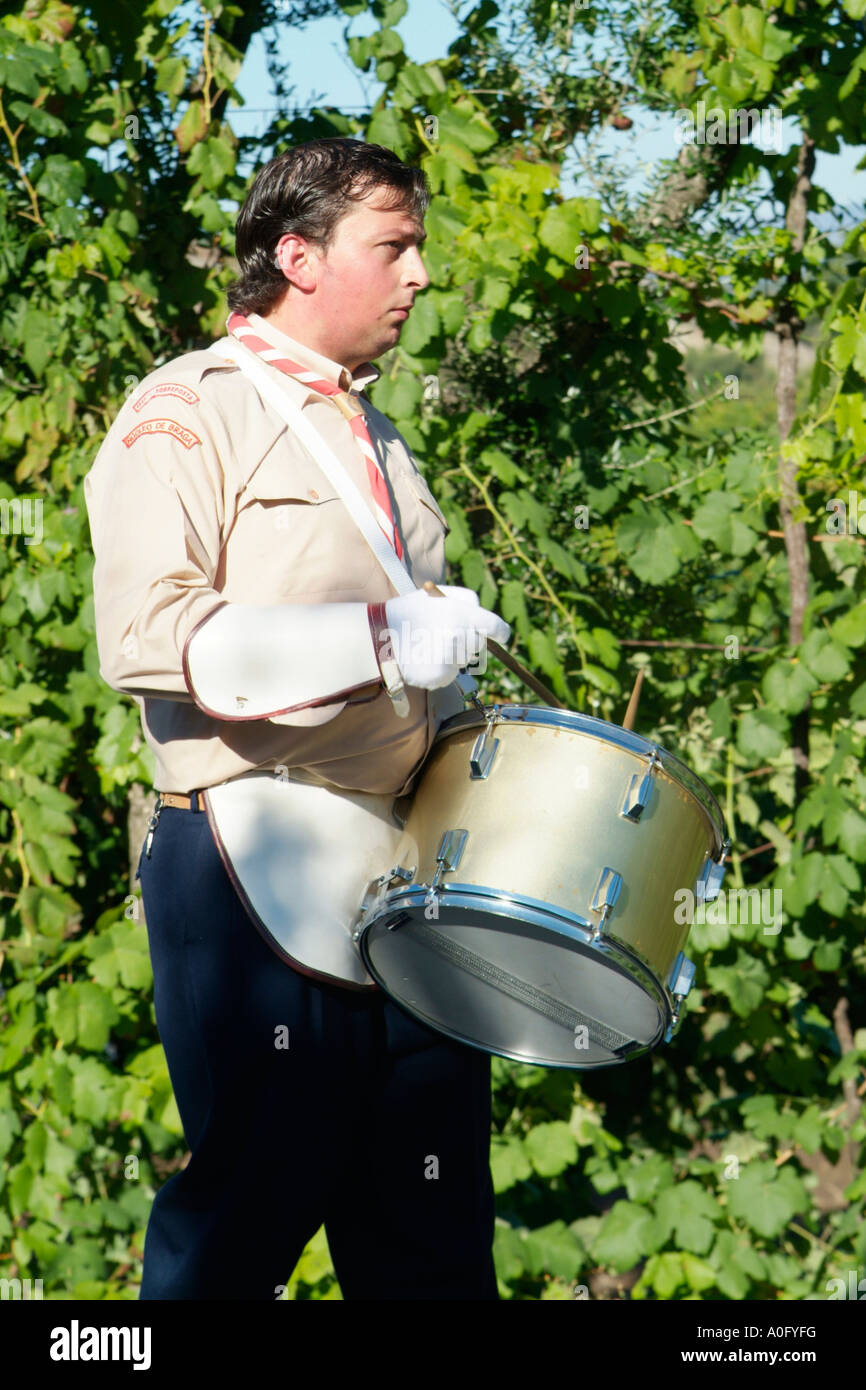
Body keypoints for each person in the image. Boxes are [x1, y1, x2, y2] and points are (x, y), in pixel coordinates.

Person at [83, 137, 511, 1301]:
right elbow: (151, 640)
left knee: (432, 1238)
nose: (419, 273)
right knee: (242, 1222)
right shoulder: (186, 408)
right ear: (297, 255)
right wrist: (377, 639)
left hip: (400, 876)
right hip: (250, 866)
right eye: (394, 247)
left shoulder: (376, 432)